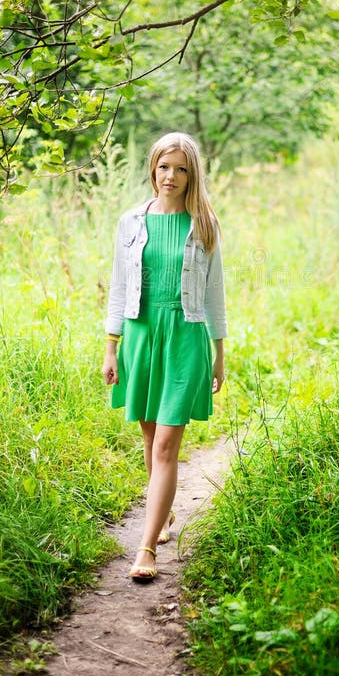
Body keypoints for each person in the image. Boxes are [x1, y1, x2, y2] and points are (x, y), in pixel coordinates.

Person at [101, 132, 227, 582]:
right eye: (163, 167)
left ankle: (147, 547)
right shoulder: (131, 222)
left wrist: (219, 353)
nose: (170, 176)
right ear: (153, 169)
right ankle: (164, 512)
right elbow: (119, 285)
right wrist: (111, 346)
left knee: (166, 445)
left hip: (184, 337)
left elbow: (214, 294)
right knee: (149, 439)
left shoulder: (204, 225)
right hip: (141, 334)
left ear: (192, 175)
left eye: (181, 169)